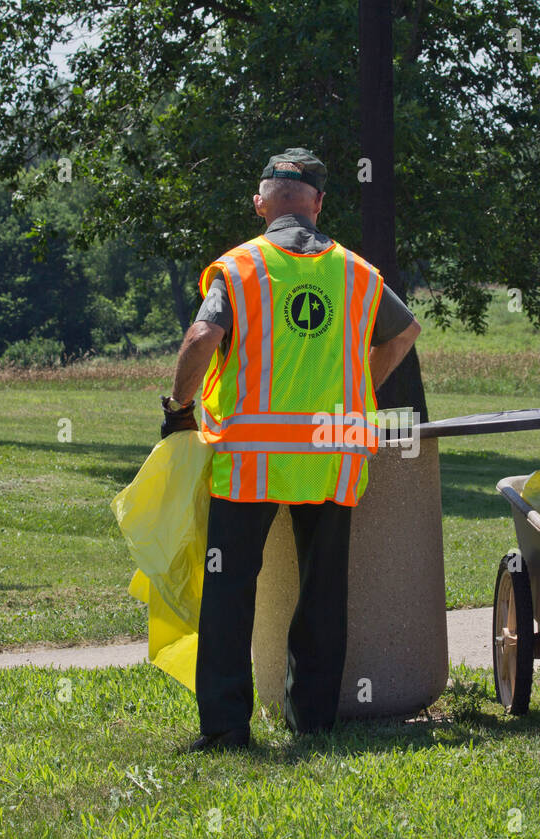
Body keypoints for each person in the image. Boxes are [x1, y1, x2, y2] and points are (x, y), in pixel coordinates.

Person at [162, 147, 422, 751]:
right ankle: (315, 722)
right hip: (333, 456)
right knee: (322, 589)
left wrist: (178, 408)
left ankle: (226, 728)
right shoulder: (357, 273)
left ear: (260, 203)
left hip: (252, 461)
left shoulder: (242, 267)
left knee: (230, 590)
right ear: (319, 204)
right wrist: (363, 386)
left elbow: (203, 335)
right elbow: (405, 331)